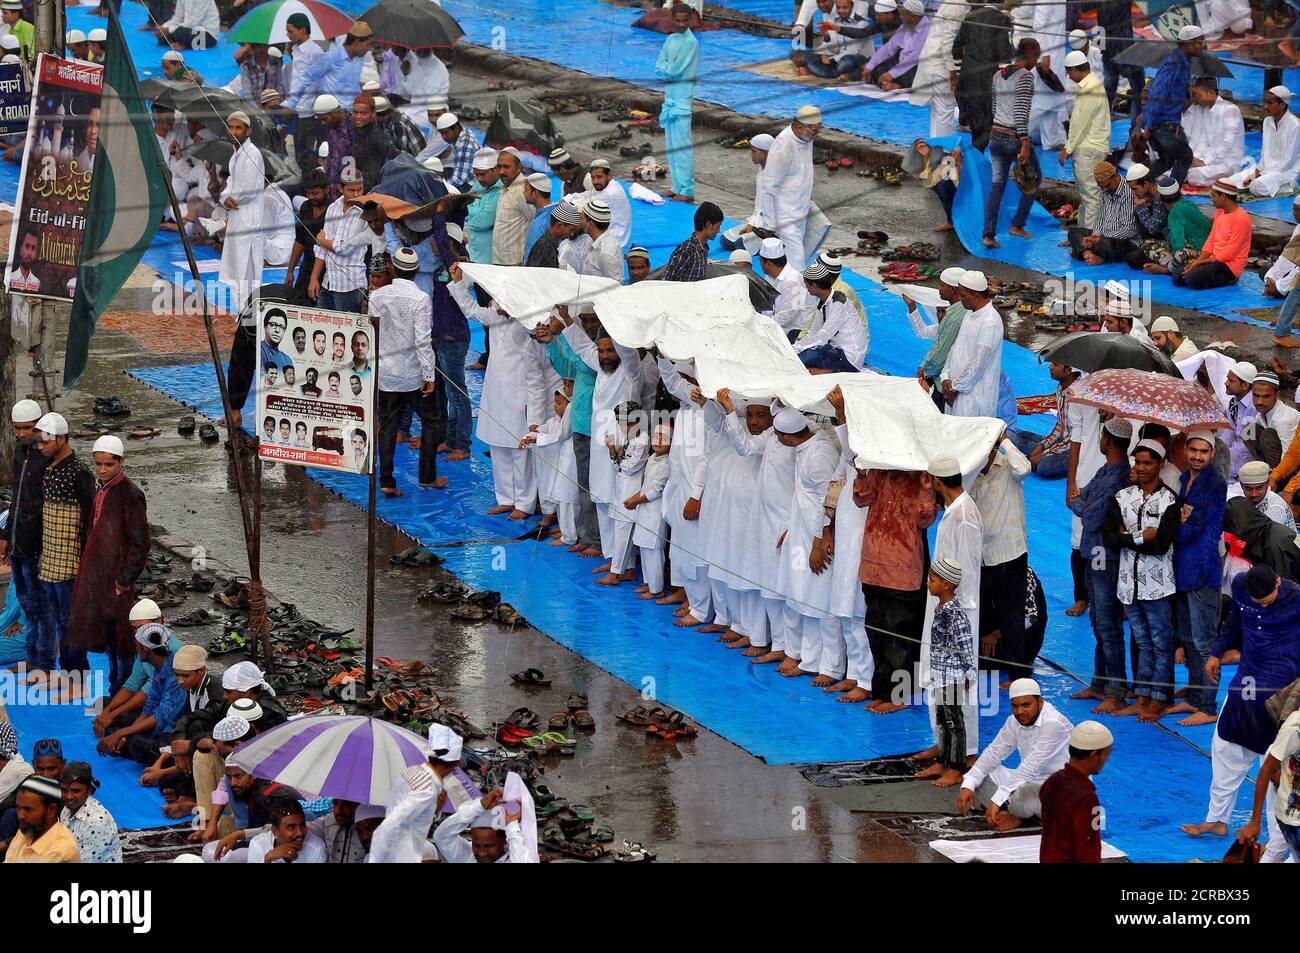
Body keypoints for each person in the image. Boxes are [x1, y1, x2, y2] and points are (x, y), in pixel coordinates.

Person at [1182, 564, 1300, 861]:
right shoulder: (1239, 585)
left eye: (1268, 599)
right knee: (1225, 745)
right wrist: (1215, 653)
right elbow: (1235, 620)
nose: (1262, 605)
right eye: (1257, 600)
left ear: (1278, 582)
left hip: (1281, 686)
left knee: (1276, 767)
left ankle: (1279, 842)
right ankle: (1217, 819)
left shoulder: (1296, 596)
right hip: (1247, 676)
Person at [450, 266, 540, 519]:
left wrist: (518, 311)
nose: (500, 305)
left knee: (519, 448)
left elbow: (537, 333)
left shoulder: (527, 321)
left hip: (519, 392)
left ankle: (524, 503)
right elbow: (471, 310)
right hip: (495, 391)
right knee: (498, 445)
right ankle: (506, 498)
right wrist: (458, 283)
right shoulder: (495, 316)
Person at [64, 434, 149, 695]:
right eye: (98, 464)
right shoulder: (101, 489)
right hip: (98, 579)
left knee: (122, 640)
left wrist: (123, 581)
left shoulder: (131, 494)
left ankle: (122, 694)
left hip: (116, 583)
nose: (102, 470)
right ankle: (115, 693)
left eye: (108, 465)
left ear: (121, 462)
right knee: (107, 638)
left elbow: (141, 543)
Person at [1104, 440, 1181, 722]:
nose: (1142, 468)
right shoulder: (1122, 496)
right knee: (1142, 642)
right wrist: (1139, 537)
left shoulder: (1170, 501)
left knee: (1161, 643)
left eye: (1148, 463)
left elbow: (1160, 545)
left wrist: (1127, 538)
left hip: (1158, 585)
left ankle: (1158, 700)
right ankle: (1142, 697)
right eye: (1138, 462)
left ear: (1160, 465)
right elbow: (1109, 538)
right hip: (1128, 583)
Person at [1068, 417, 1133, 710]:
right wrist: (1084, 502)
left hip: (1106, 558)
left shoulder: (1119, 477)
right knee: (1098, 622)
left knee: (1108, 624)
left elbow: (1087, 511)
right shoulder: (1105, 471)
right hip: (1093, 555)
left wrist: (1083, 502)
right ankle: (1100, 683)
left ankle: (1115, 691)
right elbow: (1081, 500)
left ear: (1107, 440)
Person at [957, 678, 1073, 830]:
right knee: (982, 775)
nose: (1020, 712)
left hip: (1059, 791)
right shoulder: (1014, 721)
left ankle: (1016, 814)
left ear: (1040, 702)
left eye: (1026, 705)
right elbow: (993, 753)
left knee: (1022, 793)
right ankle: (1016, 812)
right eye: (1015, 706)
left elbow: (1031, 767)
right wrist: (968, 784)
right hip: (1031, 784)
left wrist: (998, 800)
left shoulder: (1053, 723)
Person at [374, 247, 444, 495]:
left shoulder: (377, 296)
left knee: (388, 425)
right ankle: (426, 476)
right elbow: (423, 340)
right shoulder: (421, 299)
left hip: (385, 374)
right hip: (412, 375)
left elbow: (371, 333)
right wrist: (429, 375)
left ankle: (386, 481)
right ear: (416, 271)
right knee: (432, 421)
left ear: (393, 268)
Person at [1170, 430, 1228, 728]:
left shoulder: (1213, 484)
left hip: (1202, 569)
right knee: (1189, 637)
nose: (1196, 456)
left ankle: (1207, 705)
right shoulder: (1183, 480)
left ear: (1212, 453)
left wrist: (1172, 527)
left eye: (1202, 451)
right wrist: (1178, 523)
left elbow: (1191, 529)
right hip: (1182, 567)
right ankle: (1194, 695)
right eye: (1192, 450)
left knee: (1203, 640)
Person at [35, 413, 94, 690]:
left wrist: (85, 559)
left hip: (70, 561)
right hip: (50, 558)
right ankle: (66, 672)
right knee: (59, 621)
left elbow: (90, 517)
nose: (40, 446)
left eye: (46, 441)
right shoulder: (49, 469)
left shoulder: (80, 472)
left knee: (72, 622)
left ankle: (78, 678)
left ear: (61, 439)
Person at [970, 432, 1033, 682]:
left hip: (1010, 553)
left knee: (1012, 616)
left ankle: (1019, 676)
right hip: (983, 555)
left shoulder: (1009, 467)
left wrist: (1004, 440)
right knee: (982, 610)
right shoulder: (972, 474)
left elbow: (1025, 467)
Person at [982, 39, 1057, 249]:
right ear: (1030, 55)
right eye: (1037, 56)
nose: (1038, 60)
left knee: (997, 185)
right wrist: (1024, 141)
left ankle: (988, 234)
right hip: (1014, 137)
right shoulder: (1025, 77)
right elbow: (1021, 112)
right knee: (1034, 178)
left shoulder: (998, 74)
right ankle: (1017, 224)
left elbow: (995, 107)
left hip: (996, 134)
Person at [96, 624, 189, 765]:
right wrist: (124, 736)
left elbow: (160, 718)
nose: (136, 649)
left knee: (135, 742)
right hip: (159, 724)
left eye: (137, 645)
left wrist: (123, 734)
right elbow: (149, 707)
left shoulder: (174, 672)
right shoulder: (159, 667)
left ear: (145, 648)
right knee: (115, 733)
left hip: (176, 732)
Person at [5, 400, 50, 683]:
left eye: (27, 429)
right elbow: (16, 499)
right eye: (17, 429)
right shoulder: (20, 455)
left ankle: (43, 665)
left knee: (42, 608)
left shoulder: (46, 457)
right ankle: (33, 660)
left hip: (39, 546)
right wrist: (5, 535)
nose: (22, 433)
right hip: (19, 542)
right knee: (28, 604)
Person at [924, 558, 975, 786]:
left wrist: (969, 674)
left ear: (946, 585)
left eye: (932, 580)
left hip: (952, 678)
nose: (928, 583)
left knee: (955, 723)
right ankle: (943, 760)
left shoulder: (956, 614)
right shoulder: (941, 608)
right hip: (940, 676)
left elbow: (966, 646)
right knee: (942, 720)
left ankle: (956, 768)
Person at [1039, 721, 1113, 863]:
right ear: (1093, 755)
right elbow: (1088, 848)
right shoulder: (1087, 798)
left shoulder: (1052, 782)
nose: (1106, 760)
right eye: (1106, 754)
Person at [1135, 25, 1200, 184]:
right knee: (1185, 157)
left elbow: (1172, 90)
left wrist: (1187, 89)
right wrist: (1149, 125)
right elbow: (1158, 93)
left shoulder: (1183, 63)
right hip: (1163, 123)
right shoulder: (1174, 63)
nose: (1201, 46)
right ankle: (1171, 194)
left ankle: (1140, 185)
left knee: (1167, 159)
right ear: (1188, 44)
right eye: (1199, 42)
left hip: (1162, 122)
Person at [1236, 705, 1300, 858]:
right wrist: (1255, 821)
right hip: (1293, 818)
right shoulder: (1294, 729)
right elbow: (1266, 770)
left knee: (1278, 846)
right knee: (1279, 845)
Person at [759, 106, 819, 267]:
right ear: (800, 127)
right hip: (784, 219)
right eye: (814, 131)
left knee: (789, 264)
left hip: (801, 211)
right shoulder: (783, 146)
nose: (816, 135)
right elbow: (768, 188)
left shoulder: (806, 138)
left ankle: (784, 291)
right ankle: (796, 292)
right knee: (796, 264)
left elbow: (802, 172)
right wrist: (770, 227)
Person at [219, 112, 266, 313]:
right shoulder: (235, 154)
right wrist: (224, 198)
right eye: (231, 127)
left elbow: (250, 189)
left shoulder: (252, 154)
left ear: (248, 131)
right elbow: (230, 183)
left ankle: (249, 321)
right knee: (237, 269)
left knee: (248, 271)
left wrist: (231, 199)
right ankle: (241, 317)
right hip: (237, 217)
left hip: (248, 220)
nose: (234, 131)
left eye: (238, 128)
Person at [1060, 50, 1111, 231]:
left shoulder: (1090, 88)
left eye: (1069, 72)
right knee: (1085, 195)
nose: (1068, 75)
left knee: (1091, 196)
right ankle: (1082, 233)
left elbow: (1081, 122)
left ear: (1075, 69)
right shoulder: (1089, 85)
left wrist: (1068, 148)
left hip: (1089, 149)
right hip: (1087, 147)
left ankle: (1089, 239)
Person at [951, 1, 1013, 150]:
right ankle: (974, 160)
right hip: (988, 76)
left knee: (976, 121)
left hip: (968, 74)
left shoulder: (969, 17)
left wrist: (959, 72)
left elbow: (956, 48)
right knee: (986, 123)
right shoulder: (1001, 19)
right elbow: (1004, 52)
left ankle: (972, 158)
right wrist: (1003, 78)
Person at [941, 270, 1001, 418]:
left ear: (974, 294)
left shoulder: (990, 322)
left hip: (973, 397)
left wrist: (955, 387)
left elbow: (978, 363)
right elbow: (955, 348)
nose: (960, 299)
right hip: (954, 391)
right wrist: (945, 376)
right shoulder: (969, 314)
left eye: (962, 295)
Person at [1172, 180, 1250, 290]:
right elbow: (1211, 239)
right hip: (1213, 260)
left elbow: (1229, 254)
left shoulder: (1241, 218)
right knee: (1177, 276)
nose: (1211, 199)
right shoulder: (1220, 211)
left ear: (1223, 196)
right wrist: (1198, 261)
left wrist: (1199, 263)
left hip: (1229, 266)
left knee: (1191, 279)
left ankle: (1232, 279)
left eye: (1213, 196)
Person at [656, 4, 699, 203]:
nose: (682, 24)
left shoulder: (691, 42)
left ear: (690, 19)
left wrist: (667, 67)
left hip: (681, 100)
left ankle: (687, 189)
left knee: (682, 147)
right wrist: (668, 67)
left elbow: (673, 69)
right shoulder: (670, 39)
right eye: (678, 20)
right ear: (672, 18)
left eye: (685, 20)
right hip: (670, 99)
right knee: (671, 146)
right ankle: (677, 185)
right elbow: (659, 66)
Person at [311, 167, 369, 312]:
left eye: (360, 189)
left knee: (347, 334)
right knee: (322, 330)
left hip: (351, 285)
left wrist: (321, 240)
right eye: (351, 190)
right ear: (341, 188)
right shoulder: (332, 208)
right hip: (328, 282)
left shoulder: (366, 212)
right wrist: (314, 278)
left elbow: (345, 248)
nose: (356, 194)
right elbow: (321, 250)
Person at [793, 258, 867, 368]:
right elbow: (813, 331)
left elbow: (822, 336)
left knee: (799, 361)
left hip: (849, 357)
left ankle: (833, 371)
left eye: (806, 284)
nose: (805, 287)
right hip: (834, 348)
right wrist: (795, 347)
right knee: (796, 349)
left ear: (814, 285)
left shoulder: (838, 302)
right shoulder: (823, 301)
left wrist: (795, 350)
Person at [1228, 85, 1300, 197]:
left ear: (1282, 104)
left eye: (1270, 103)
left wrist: (1262, 175)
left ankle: (1289, 186)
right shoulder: (1267, 121)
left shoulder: (1295, 125)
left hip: (1285, 173)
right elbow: (1264, 153)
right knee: (1229, 183)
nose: (1265, 106)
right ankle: (1265, 184)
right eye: (1265, 102)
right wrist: (1257, 171)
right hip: (1265, 172)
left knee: (1255, 186)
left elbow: (1288, 160)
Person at [433, 789, 538, 863]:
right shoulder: (467, 856)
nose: (481, 853)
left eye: (488, 846)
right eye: (476, 845)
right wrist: (479, 806)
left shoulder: (520, 857)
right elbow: (441, 837)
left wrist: (511, 826)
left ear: (504, 841)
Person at [1139, 176, 1214, 278]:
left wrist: (1167, 266)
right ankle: (1171, 264)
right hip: (1207, 249)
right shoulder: (1188, 203)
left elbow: (1178, 246)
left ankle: (1166, 269)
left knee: (1179, 254)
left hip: (1201, 253)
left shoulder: (1174, 213)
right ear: (1179, 192)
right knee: (1148, 243)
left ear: (1160, 198)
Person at [290, 23, 373, 114]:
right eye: (367, 45)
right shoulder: (331, 58)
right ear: (357, 42)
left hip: (352, 113)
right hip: (334, 114)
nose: (368, 49)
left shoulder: (359, 59)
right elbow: (306, 78)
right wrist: (291, 104)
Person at [1068, 162, 1141, 265]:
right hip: (1104, 236)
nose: (1104, 190)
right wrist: (1094, 236)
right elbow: (1101, 219)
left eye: (1107, 185)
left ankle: (1083, 252)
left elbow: (1129, 229)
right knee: (1074, 232)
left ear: (1115, 177)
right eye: (1101, 187)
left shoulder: (1129, 192)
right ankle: (1087, 253)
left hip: (1125, 241)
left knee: (1105, 244)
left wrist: (1099, 239)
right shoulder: (1104, 191)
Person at [1183, 76, 1246, 188]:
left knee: (1194, 176)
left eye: (1199, 95)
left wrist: (1205, 162)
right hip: (1211, 160)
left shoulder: (1230, 109)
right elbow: (1203, 140)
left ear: (1211, 93)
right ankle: (1222, 182)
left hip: (1228, 162)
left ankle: (1229, 181)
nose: (1196, 99)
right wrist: (1195, 159)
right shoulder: (1207, 110)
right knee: (1181, 168)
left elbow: (1227, 144)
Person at [4, 774, 79, 863]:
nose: (20, 816)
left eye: (28, 809)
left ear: (52, 810)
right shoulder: (27, 829)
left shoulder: (62, 852)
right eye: (18, 808)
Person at [58, 762, 121, 864]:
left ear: (89, 790)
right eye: (64, 790)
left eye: (76, 791)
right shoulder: (66, 809)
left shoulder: (97, 822)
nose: (69, 796)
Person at [860, 0, 929, 90]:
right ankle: (890, 84)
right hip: (902, 65)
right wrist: (870, 66)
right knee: (875, 68)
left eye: (903, 14)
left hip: (918, 67)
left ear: (912, 16)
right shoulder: (906, 26)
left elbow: (913, 58)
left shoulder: (927, 29)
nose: (900, 17)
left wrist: (891, 74)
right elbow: (889, 48)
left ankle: (898, 85)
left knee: (911, 72)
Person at [247, 799, 328, 864]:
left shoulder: (316, 848)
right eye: (291, 827)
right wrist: (268, 858)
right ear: (275, 831)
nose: (300, 833)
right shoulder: (258, 844)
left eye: (302, 825)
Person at [1249, 370, 1300, 465]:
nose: (1259, 402)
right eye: (1256, 396)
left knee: (1268, 434)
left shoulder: (1284, 419)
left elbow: (1288, 456)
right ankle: (1262, 468)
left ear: (1276, 395)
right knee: (1249, 430)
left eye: (1266, 396)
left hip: (1293, 465)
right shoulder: (1260, 416)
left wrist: (1275, 477)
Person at [663, 202, 722, 282]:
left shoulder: (703, 248)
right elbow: (666, 280)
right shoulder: (686, 251)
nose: (718, 231)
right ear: (708, 225)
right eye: (718, 226)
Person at [465, 148, 502, 265]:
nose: (479, 178)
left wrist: (470, 217)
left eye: (483, 174)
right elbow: (463, 208)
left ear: (496, 169)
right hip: (474, 253)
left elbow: (484, 221)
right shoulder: (478, 185)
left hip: (491, 258)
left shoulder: (503, 190)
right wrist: (480, 211)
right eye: (476, 175)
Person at [308, 799, 367, 863]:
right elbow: (305, 828)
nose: (339, 810)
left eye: (346, 804)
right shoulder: (329, 821)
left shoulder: (367, 833)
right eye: (335, 803)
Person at [578, 199, 624, 281]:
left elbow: (615, 285)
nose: (580, 222)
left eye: (582, 218)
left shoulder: (605, 252)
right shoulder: (597, 242)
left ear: (590, 224)